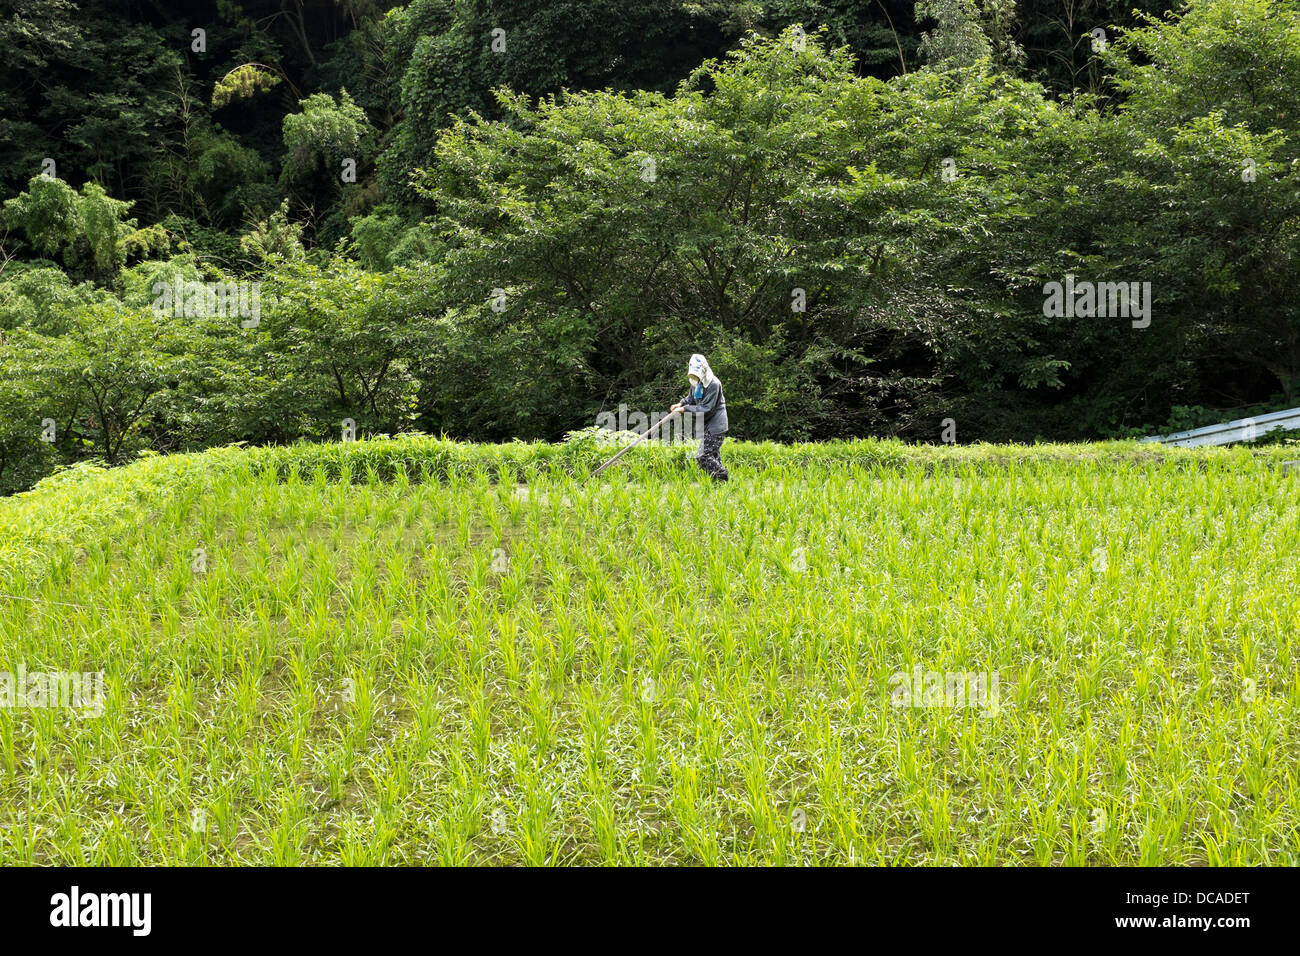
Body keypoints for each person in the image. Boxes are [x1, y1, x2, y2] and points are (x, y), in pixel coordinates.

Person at [671, 353, 729, 482]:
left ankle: (724, 477)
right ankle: (720, 486)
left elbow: (706, 408)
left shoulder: (714, 384)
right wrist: (680, 404)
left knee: (703, 456)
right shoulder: (695, 381)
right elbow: (691, 398)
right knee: (713, 456)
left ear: (704, 369)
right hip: (706, 425)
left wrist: (684, 409)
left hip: (716, 425)